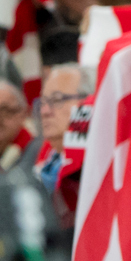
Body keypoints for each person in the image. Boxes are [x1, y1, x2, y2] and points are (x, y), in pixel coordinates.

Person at [35, 63, 91, 221]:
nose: (44, 111)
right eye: (43, 102)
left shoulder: (98, 166)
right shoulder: (37, 163)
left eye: (57, 99)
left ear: (88, 102)